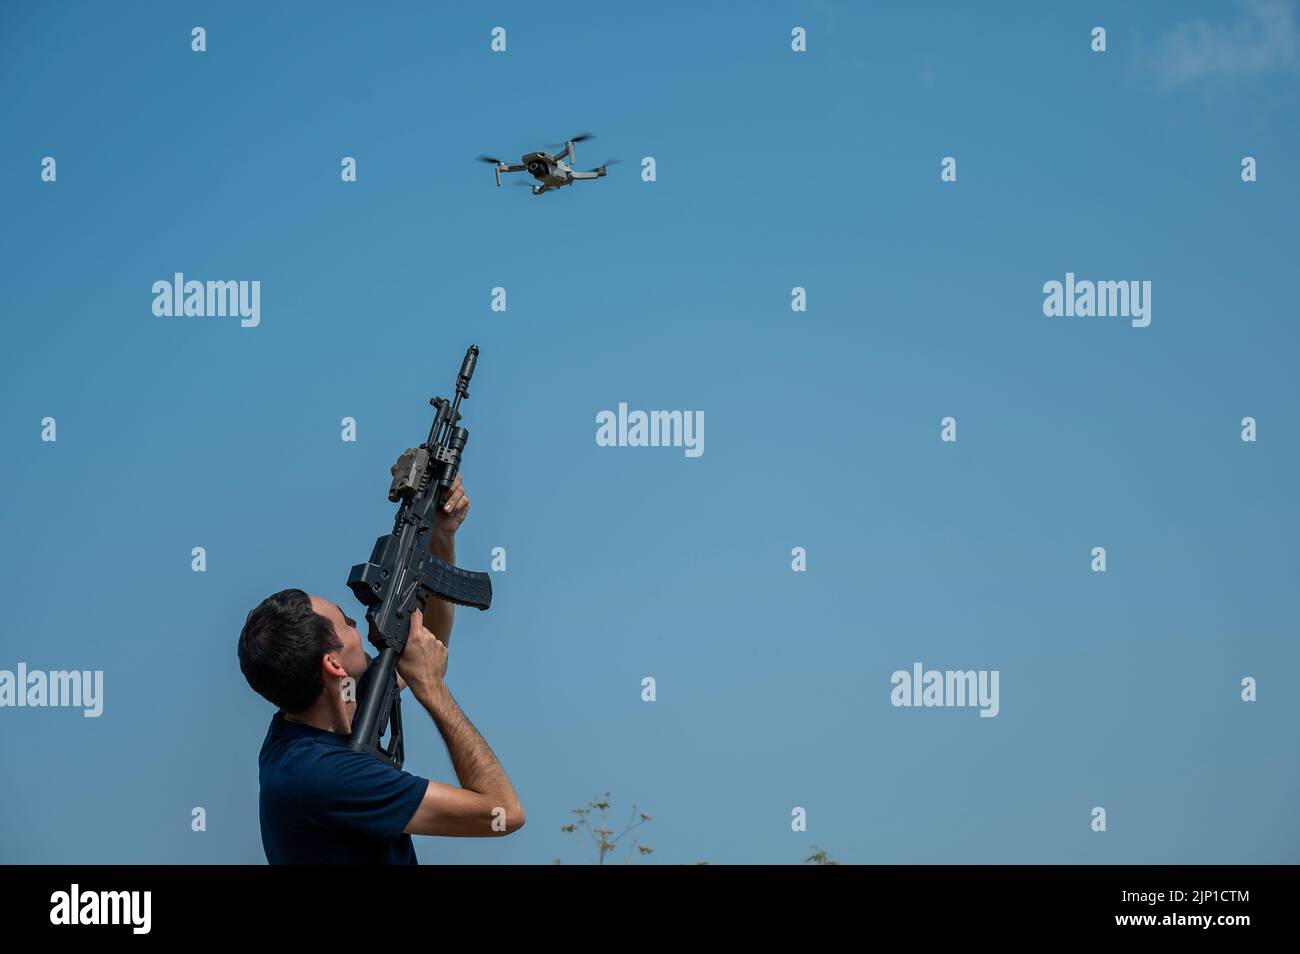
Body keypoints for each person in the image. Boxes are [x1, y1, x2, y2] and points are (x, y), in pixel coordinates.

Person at [237, 473, 523, 863]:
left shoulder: (305, 726)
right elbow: (502, 813)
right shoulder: (329, 777)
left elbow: (428, 639)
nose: (357, 625)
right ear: (333, 665)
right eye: (346, 623)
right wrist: (433, 689)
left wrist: (440, 537)